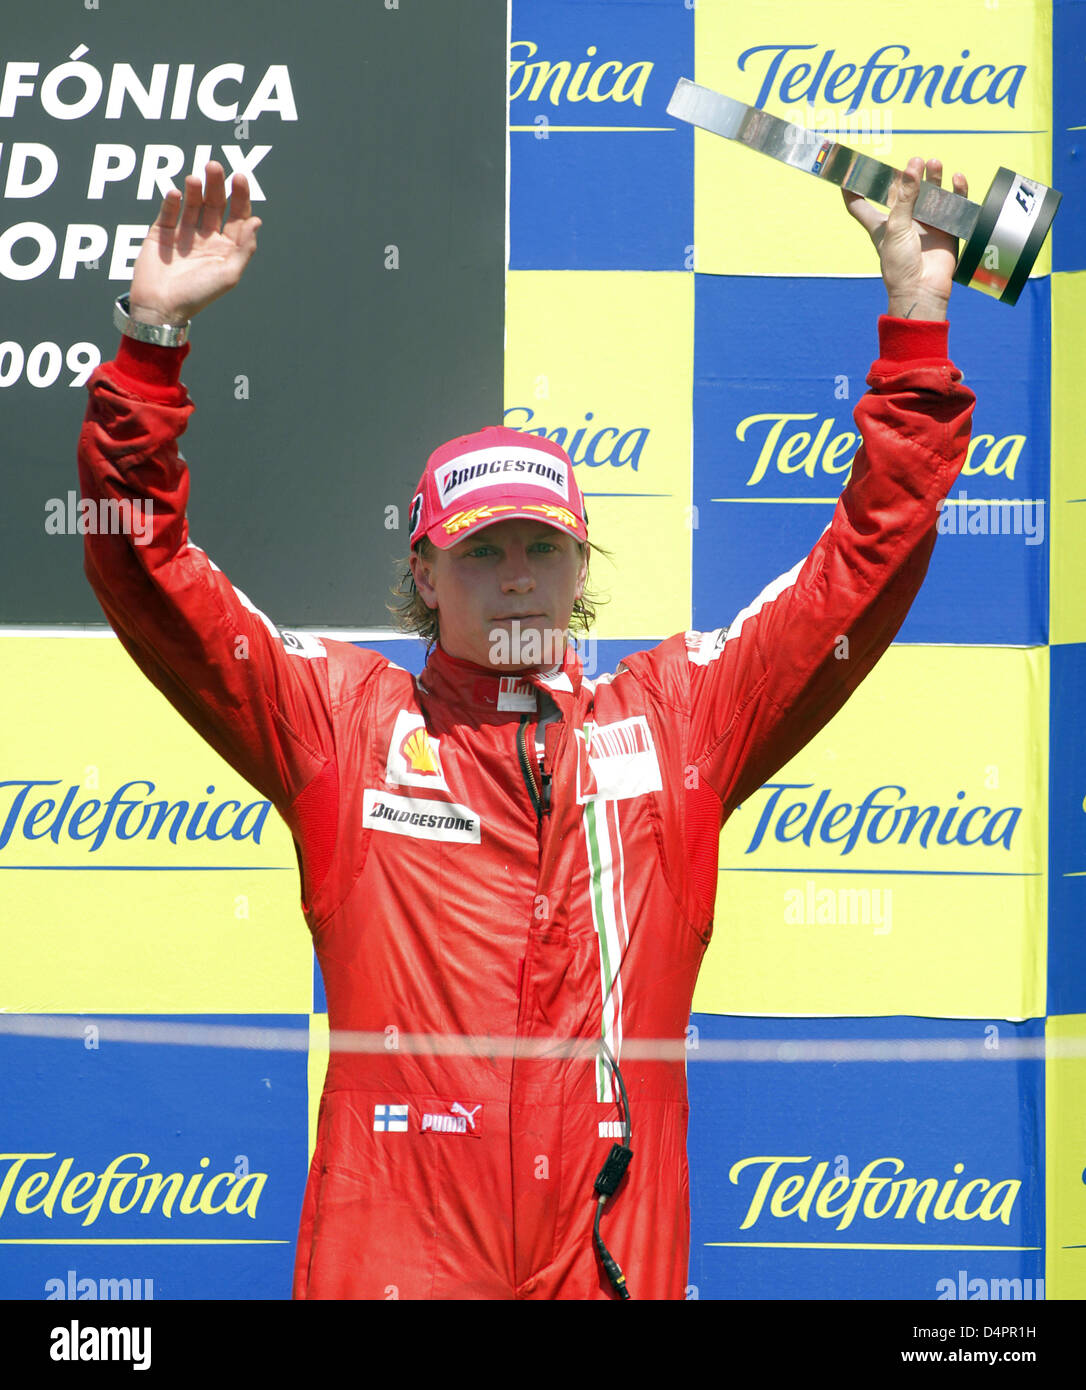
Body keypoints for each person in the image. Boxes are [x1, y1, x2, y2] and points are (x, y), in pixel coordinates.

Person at [78, 157, 976, 1300]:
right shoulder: (343, 725)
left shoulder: (679, 719)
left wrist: (916, 321)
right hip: (394, 1265)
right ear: (426, 574)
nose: (515, 581)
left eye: (542, 548)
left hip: (602, 1266)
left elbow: (863, 567)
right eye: (483, 551)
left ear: (579, 570)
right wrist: (150, 340)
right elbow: (138, 561)